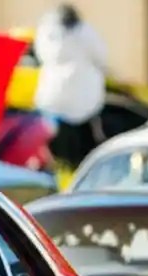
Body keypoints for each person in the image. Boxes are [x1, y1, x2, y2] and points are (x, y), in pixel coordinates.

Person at [32, 3, 107, 167]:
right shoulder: (84, 32)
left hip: (54, 98)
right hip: (83, 101)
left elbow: (40, 55)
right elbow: (101, 56)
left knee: (57, 147)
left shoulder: (47, 32)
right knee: (83, 149)